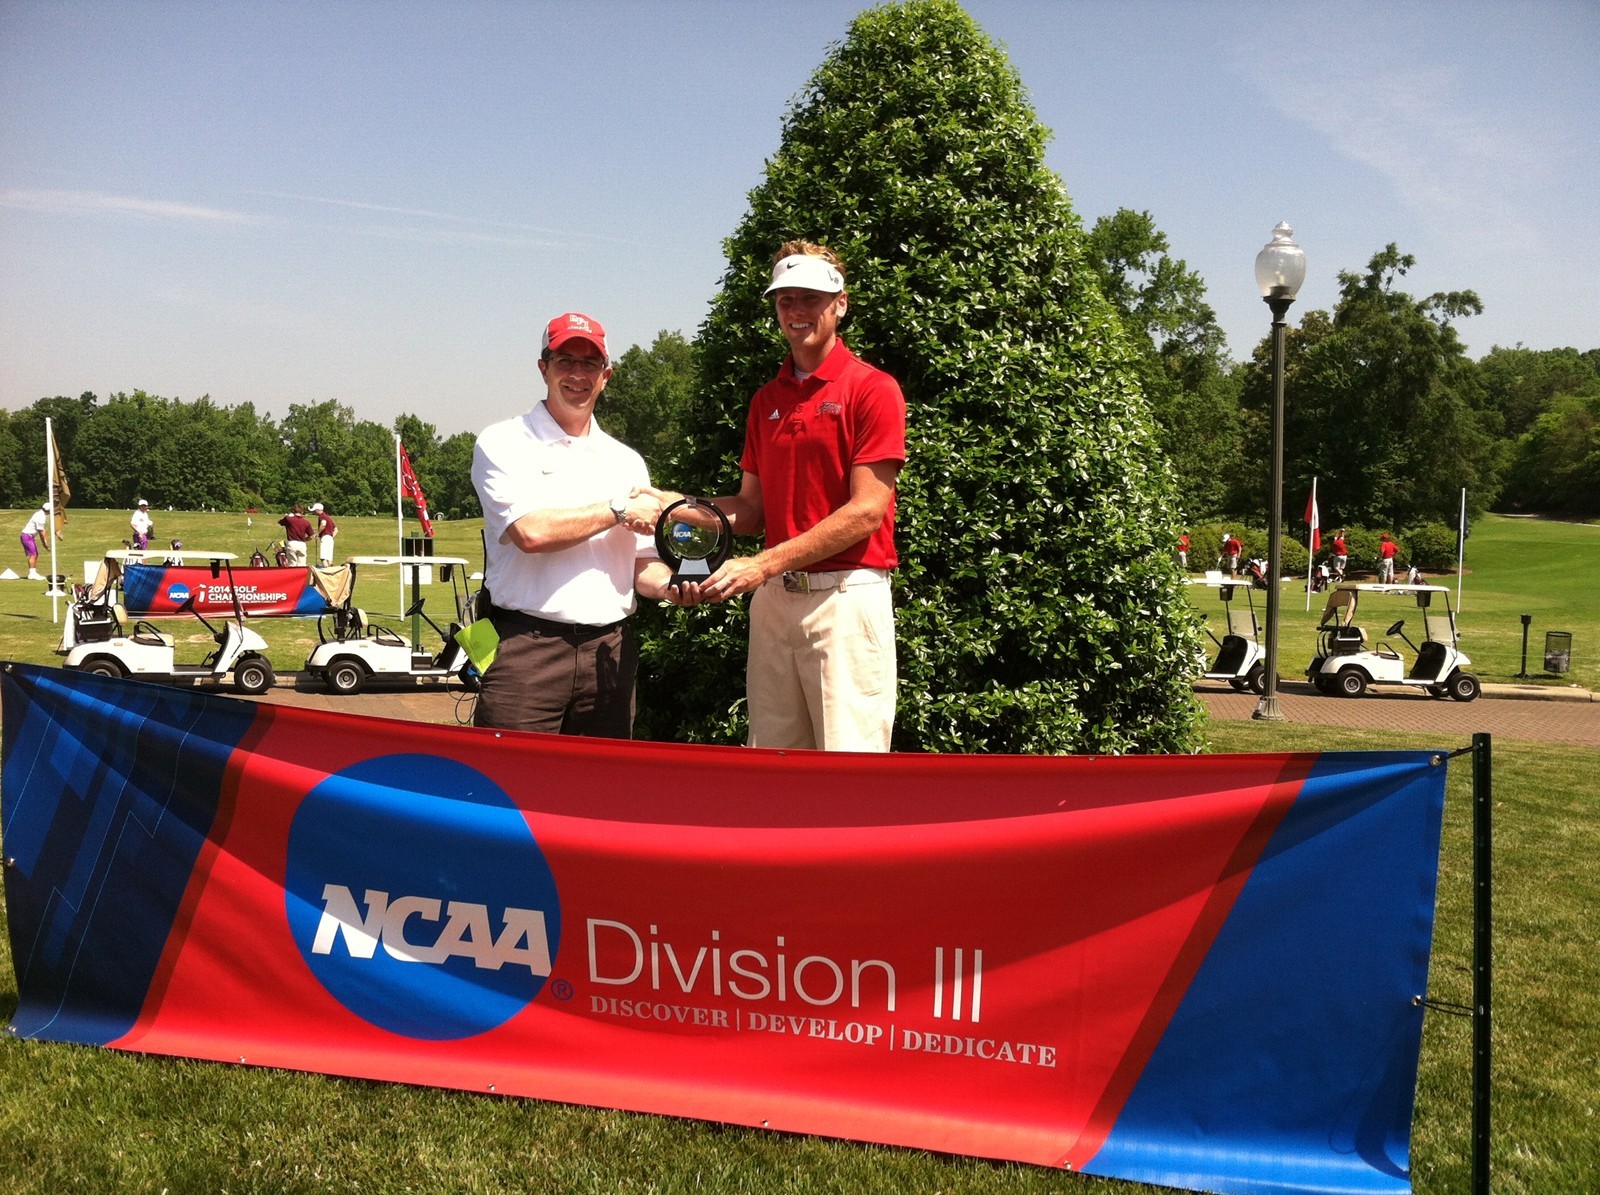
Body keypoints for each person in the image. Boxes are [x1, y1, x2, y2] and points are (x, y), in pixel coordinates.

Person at [690, 240, 907, 753]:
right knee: (774, 768)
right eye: (786, 299)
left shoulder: (873, 389)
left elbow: (865, 513)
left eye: (811, 298)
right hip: (774, 603)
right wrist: (677, 508)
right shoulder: (766, 399)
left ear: (840, 304)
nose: (796, 311)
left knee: (848, 776)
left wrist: (762, 565)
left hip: (845, 601)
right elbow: (749, 509)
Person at [471, 311, 693, 737]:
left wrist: (673, 585)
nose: (577, 374)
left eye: (589, 363)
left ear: (606, 375)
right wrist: (618, 509)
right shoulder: (503, 441)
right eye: (565, 361)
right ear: (544, 368)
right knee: (511, 790)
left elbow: (641, 563)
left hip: (609, 650)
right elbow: (531, 533)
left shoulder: (627, 461)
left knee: (597, 791)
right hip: (527, 650)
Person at [19, 506, 56, 580]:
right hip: (27, 536)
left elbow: (43, 531)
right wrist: (44, 543)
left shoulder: (39, 513)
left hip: (28, 536)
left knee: (35, 554)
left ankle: (33, 573)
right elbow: (41, 532)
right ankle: (32, 574)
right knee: (33, 555)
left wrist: (45, 543)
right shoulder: (40, 517)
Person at [311, 502, 338, 567]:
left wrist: (317, 534)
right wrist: (331, 536)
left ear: (318, 510)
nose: (314, 512)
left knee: (323, 558)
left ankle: (326, 571)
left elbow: (323, 524)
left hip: (325, 537)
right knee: (329, 559)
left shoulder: (322, 516)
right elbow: (336, 529)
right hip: (330, 538)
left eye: (315, 510)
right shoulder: (328, 517)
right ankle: (330, 571)